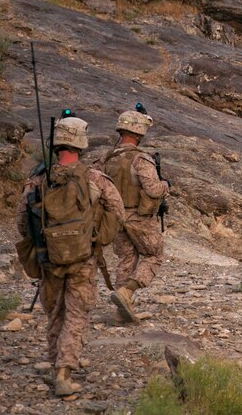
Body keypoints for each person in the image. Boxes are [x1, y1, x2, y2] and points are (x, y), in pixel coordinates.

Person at [16, 115, 124, 397]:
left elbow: (21, 222)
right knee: (76, 314)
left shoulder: (38, 179)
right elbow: (117, 213)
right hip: (83, 258)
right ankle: (65, 371)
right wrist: (99, 238)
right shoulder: (94, 178)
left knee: (55, 312)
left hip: (48, 258)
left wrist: (43, 242)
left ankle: (55, 364)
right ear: (81, 143)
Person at [101, 109, 170, 324]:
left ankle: (122, 311)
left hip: (115, 217)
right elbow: (153, 189)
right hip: (138, 217)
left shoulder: (105, 158)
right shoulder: (140, 159)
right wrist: (165, 186)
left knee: (126, 258)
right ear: (139, 133)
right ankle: (127, 292)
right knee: (154, 255)